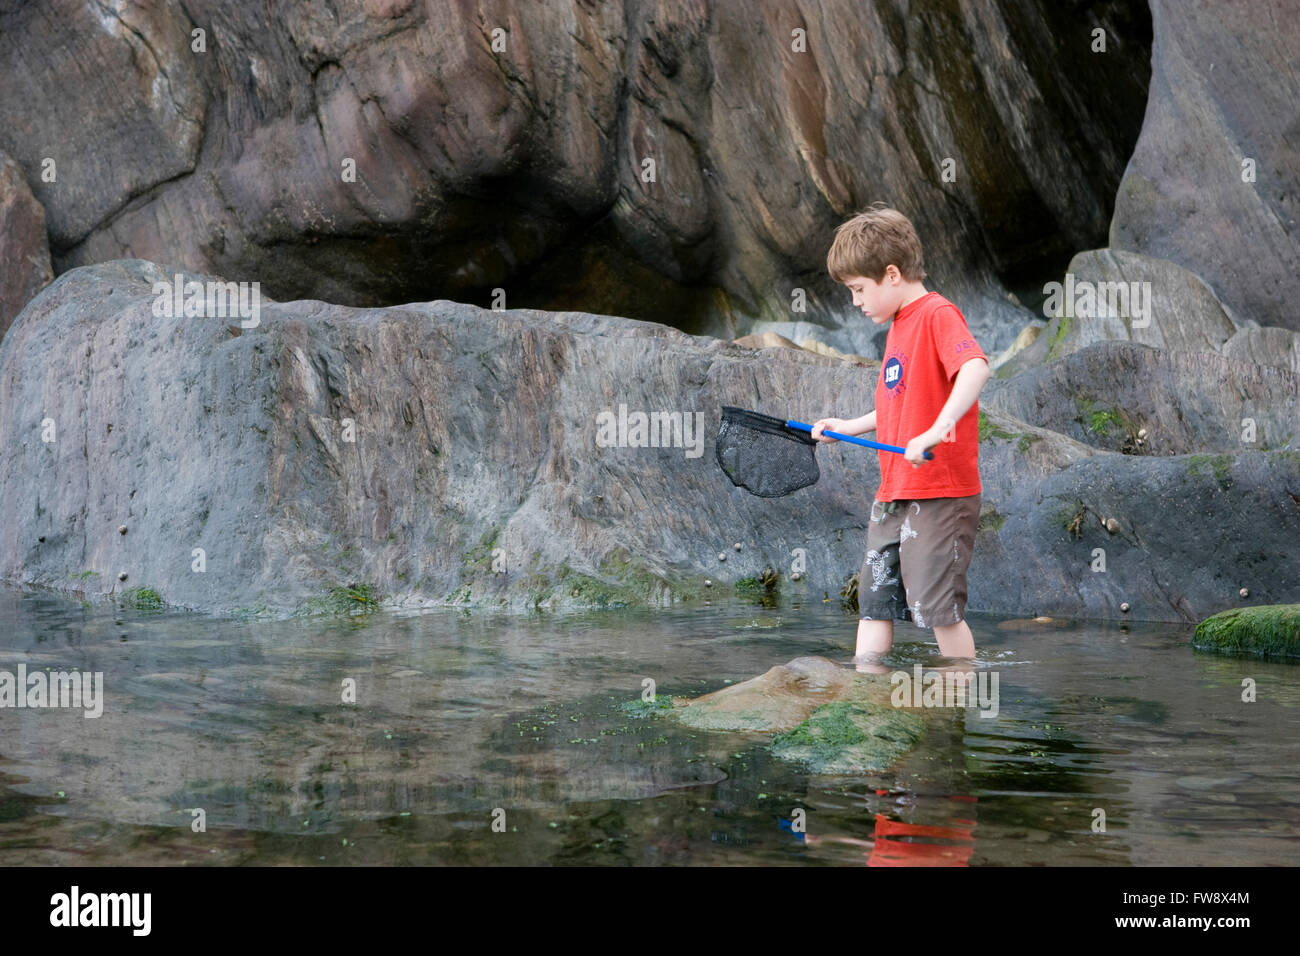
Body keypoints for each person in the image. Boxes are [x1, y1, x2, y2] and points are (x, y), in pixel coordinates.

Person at [811, 204, 990, 662]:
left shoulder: (936, 315)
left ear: (891, 274)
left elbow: (974, 366)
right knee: (873, 605)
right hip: (893, 493)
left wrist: (939, 428)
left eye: (858, 289)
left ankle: (956, 701)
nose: (855, 302)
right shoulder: (898, 327)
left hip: (939, 495)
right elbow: (898, 402)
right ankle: (867, 693)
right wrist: (850, 426)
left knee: (939, 611)